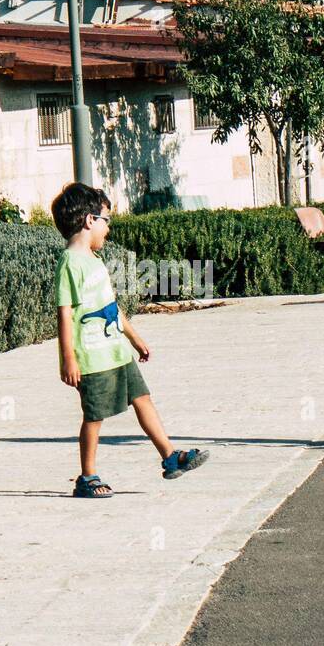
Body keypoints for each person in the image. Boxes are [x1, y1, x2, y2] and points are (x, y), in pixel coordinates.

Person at [51, 182, 209, 497]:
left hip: (117, 352)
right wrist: (68, 358)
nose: (108, 229)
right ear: (89, 221)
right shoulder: (70, 263)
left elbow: (111, 308)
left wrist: (135, 339)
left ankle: (170, 457)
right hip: (93, 357)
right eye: (106, 221)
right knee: (95, 416)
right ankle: (87, 476)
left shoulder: (94, 261)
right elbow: (65, 313)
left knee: (143, 399)